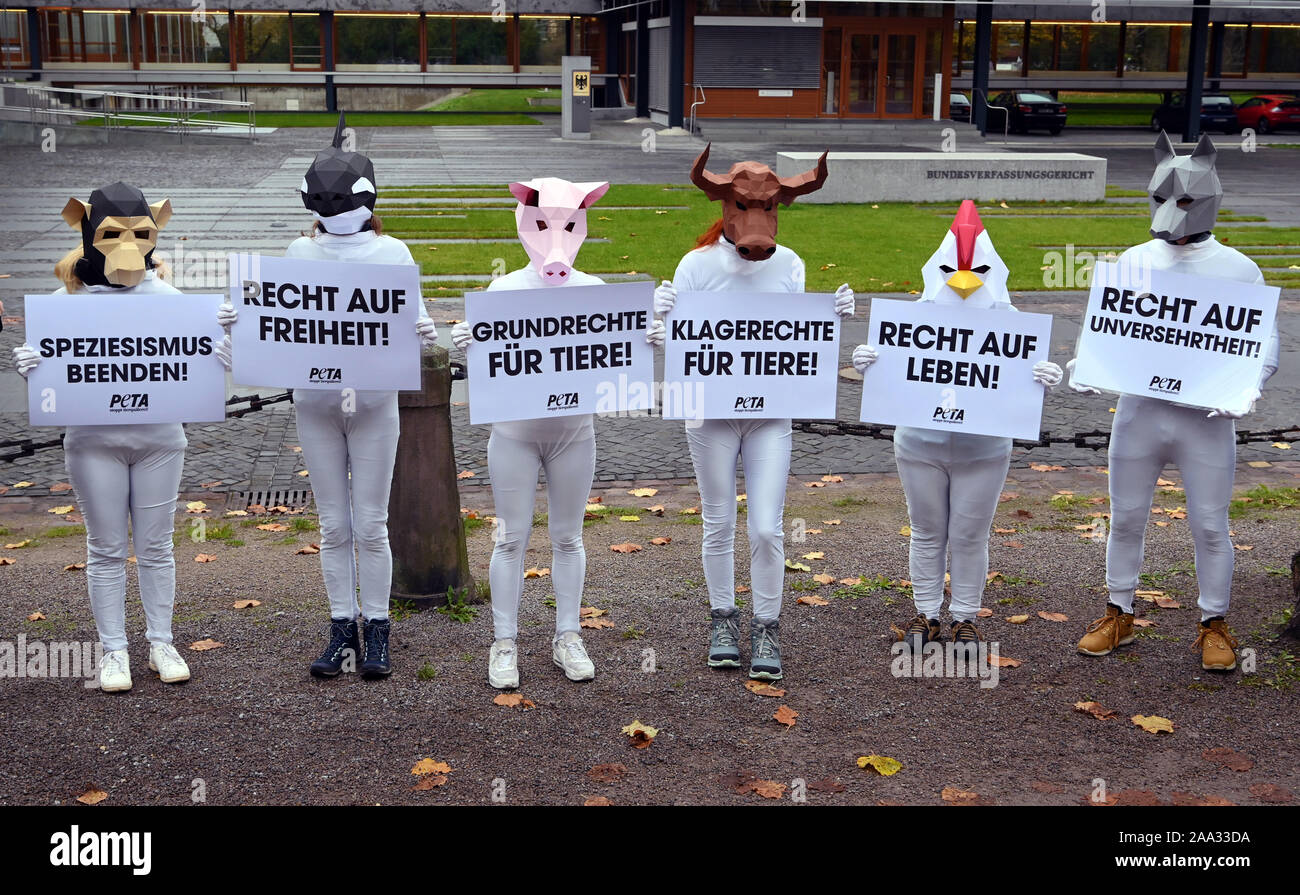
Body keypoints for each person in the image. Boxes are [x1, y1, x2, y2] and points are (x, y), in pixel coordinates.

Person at [219, 114, 437, 679]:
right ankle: (342, 626)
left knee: (370, 524)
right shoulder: (298, 252)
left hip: (372, 405)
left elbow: (407, 312)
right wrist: (238, 320)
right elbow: (281, 318)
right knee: (333, 525)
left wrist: (422, 328)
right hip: (316, 402)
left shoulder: (394, 254)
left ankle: (378, 626)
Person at [12, 182, 232, 692]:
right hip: (93, 442)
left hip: (160, 440)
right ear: (89, 232)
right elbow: (54, 369)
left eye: (141, 233)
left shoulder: (171, 298)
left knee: (156, 547)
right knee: (106, 547)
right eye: (112, 233)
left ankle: (161, 641)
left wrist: (222, 350)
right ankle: (114, 650)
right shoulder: (63, 304)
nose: (128, 245)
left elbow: (196, 356)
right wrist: (34, 368)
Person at [1071, 133, 1280, 672]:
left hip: (1205, 421)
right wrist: (1089, 365)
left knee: (1210, 524)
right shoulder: (1135, 260)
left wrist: (1249, 386)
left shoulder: (1238, 268)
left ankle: (1214, 621)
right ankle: (1118, 611)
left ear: (1209, 196)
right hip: (1141, 414)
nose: (1172, 211)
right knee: (1126, 517)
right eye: (1163, 197)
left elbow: (1263, 341)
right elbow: (1112, 327)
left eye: (1185, 199)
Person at [652, 145, 853, 682]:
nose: (756, 221)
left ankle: (767, 623)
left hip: (770, 413)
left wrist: (830, 321)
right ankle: (722, 618)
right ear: (725, 207)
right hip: (711, 414)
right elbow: (683, 346)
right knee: (718, 521)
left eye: (768, 209)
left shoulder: (788, 263)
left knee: (766, 527)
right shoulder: (695, 265)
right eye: (744, 207)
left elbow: (796, 341)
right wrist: (664, 327)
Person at [452, 176, 658, 690]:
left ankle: (568, 633)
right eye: (542, 223)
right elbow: (494, 357)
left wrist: (646, 339)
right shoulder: (503, 291)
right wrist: (469, 343)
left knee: (568, 536)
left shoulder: (594, 291)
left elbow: (616, 358)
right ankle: (504, 639)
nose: (554, 237)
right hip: (514, 434)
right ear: (523, 221)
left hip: (574, 433)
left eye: (567, 224)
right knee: (510, 537)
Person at [852, 200, 1062, 651]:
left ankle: (965, 618)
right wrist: (872, 363)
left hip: (984, 449)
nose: (963, 281)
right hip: (919, 445)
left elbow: (1017, 377)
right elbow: (898, 367)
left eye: (977, 269)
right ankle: (926, 614)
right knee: (926, 530)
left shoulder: (1011, 325)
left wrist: (1044, 375)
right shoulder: (914, 319)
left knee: (970, 534)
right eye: (951, 269)